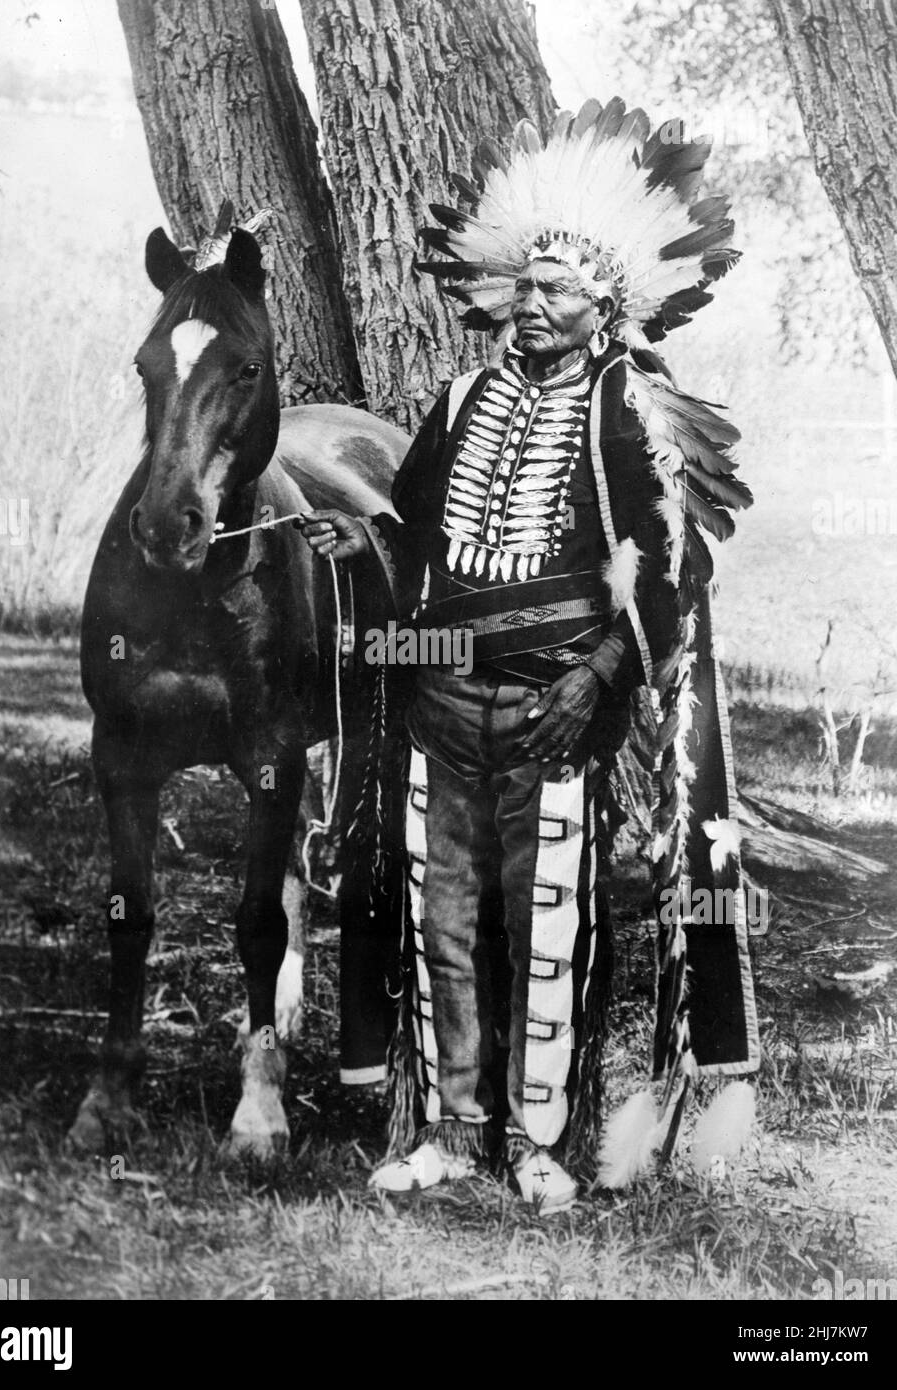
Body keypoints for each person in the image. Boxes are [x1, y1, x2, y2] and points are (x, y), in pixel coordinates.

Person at [300, 99, 759, 1213]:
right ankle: (454, 1132)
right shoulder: (461, 397)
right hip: (442, 706)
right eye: (527, 285)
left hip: (558, 711)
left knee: (551, 924)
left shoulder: (627, 407)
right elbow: (414, 537)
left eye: (559, 290)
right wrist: (358, 546)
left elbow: (665, 568)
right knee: (439, 921)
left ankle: (542, 1141)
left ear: (604, 305)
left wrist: (600, 679)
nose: (534, 304)